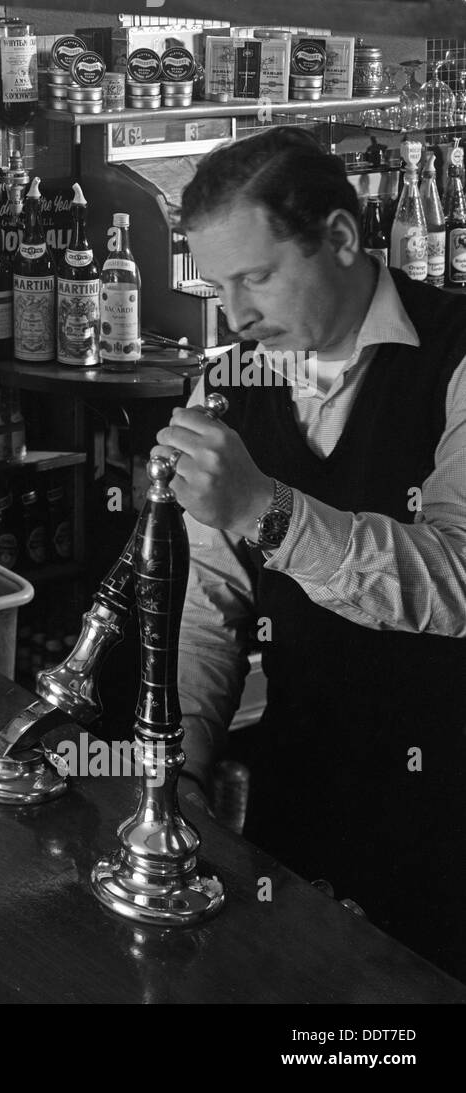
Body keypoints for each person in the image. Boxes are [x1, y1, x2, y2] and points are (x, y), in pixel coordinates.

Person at [153, 127, 466, 981]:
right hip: (305, 786)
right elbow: (210, 604)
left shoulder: (456, 356)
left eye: (256, 277)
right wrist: (185, 761)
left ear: (339, 236)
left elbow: (457, 580)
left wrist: (265, 508)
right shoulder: (226, 388)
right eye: (217, 286)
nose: (237, 315)